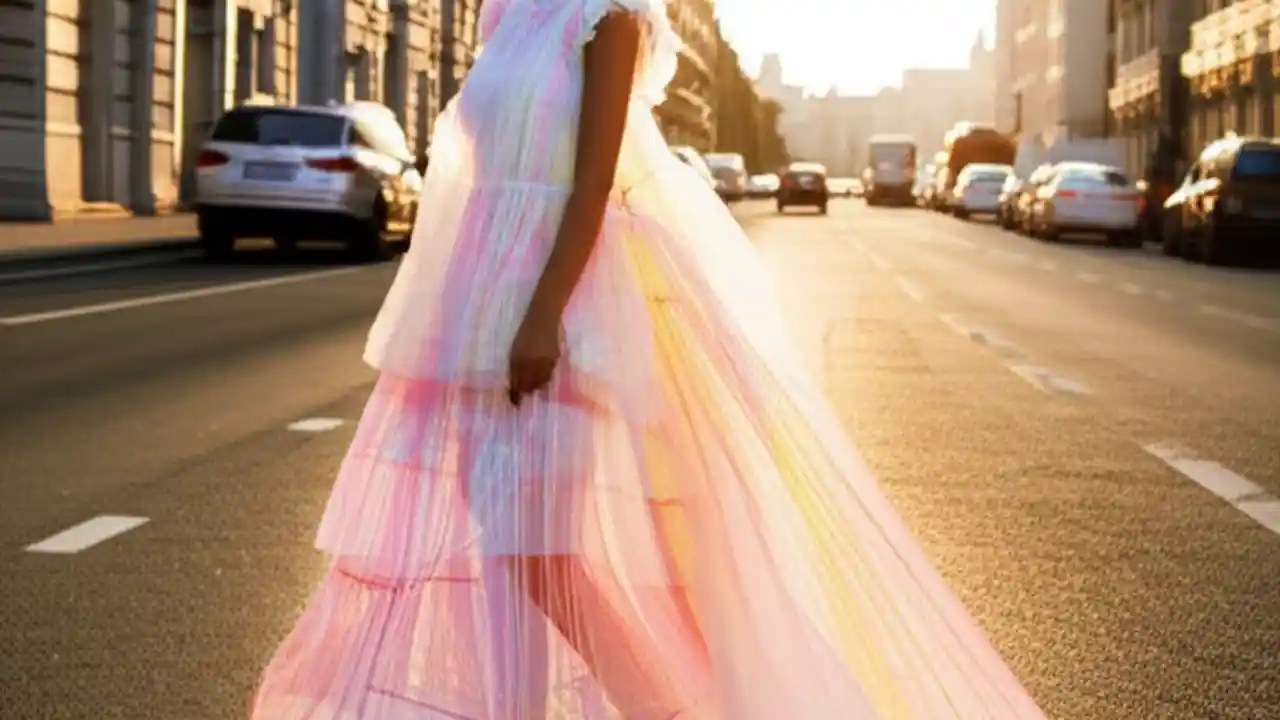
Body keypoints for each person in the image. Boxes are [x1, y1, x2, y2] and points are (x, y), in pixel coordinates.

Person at [250, 1, 1046, 718]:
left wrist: (542, 314)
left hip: (560, 306)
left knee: (535, 552)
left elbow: (594, 181)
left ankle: (670, 707)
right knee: (499, 547)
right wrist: (459, 315)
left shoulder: (611, 17)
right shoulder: (507, 17)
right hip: (478, 304)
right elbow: (478, 172)